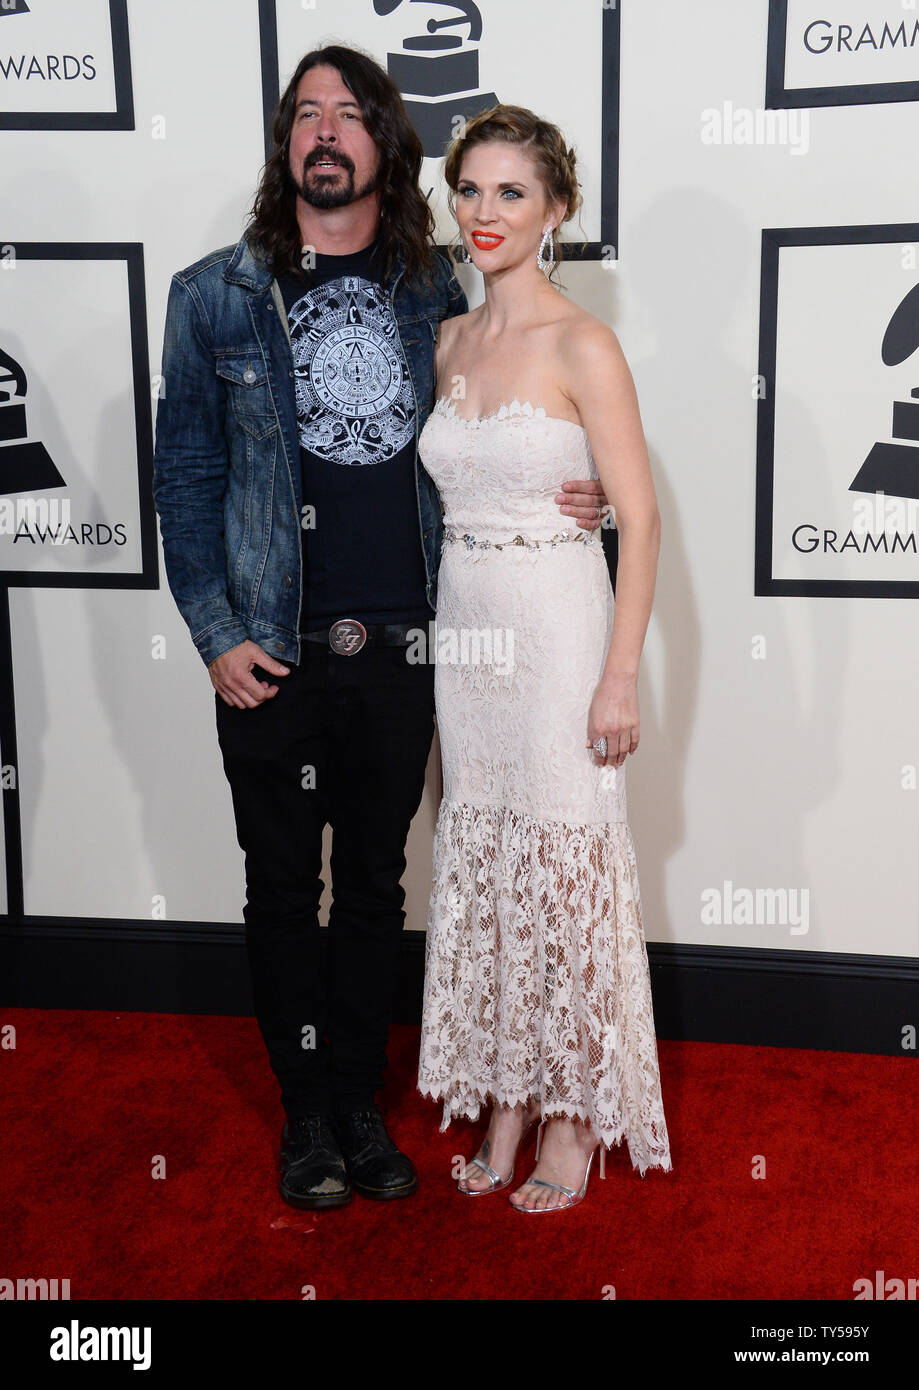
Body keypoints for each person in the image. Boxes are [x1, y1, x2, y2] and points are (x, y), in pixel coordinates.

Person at [151, 49, 611, 1211]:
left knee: (372, 886)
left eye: (349, 115)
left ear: (385, 146)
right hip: (269, 642)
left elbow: (503, 429)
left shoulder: (431, 295)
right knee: (275, 888)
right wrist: (210, 628)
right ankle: (305, 1115)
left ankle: (360, 1098)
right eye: (305, 113)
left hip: (410, 645)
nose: (324, 132)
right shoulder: (212, 294)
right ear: (283, 142)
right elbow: (187, 473)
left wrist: (582, 489)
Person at [417, 105, 672, 1211]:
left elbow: (641, 516)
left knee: (564, 869)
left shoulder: (583, 340)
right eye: (469, 190)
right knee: (489, 854)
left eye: (511, 193)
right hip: (465, 624)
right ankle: (506, 1094)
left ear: (556, 210)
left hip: (560, 627)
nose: (484, 212)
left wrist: (618, 675)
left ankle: (570, 1116)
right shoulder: (450, 340)